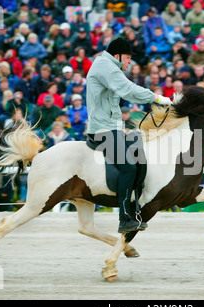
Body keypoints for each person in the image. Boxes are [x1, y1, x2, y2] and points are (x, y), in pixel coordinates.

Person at [86, 37, 171, 234]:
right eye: (128, 58)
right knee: (128, 169)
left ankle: (136, 210)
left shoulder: (108, 66)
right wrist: (157, 98)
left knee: (141, 159)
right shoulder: (106, 66)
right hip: (102, 130)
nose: (129, 62)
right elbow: (128, 90)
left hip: (113, 127)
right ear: (117, 56)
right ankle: (125, 218)